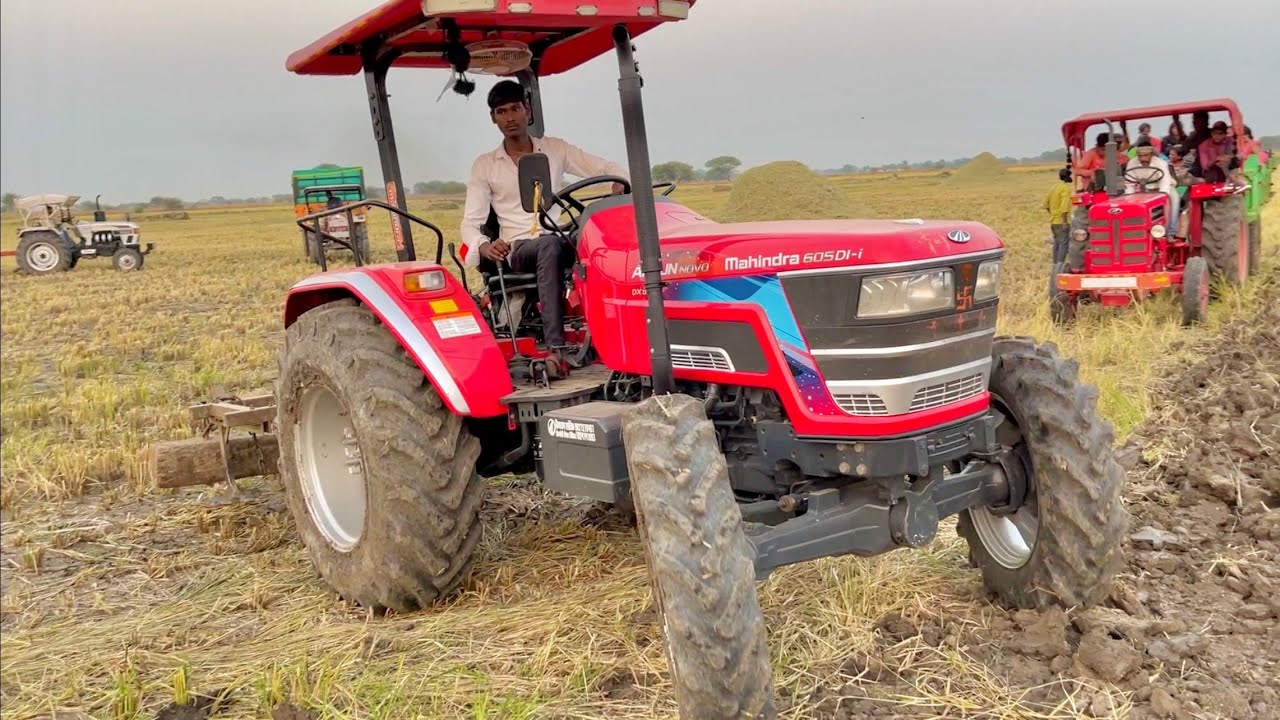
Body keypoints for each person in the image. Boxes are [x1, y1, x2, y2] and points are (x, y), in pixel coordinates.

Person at [459, 80, 629, 378]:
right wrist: (485, 245)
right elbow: (470, 223)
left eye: (515, 109)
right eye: (501, 112)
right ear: (493, 118)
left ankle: (620, 333)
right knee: (548, 246)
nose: (509, 117)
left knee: (596, 231)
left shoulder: (555, 149)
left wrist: (618, 179)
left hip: (557, 236)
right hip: (518, 248)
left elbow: (606, 166)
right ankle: (556, 350)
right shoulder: (485, 165)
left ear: (528, 110)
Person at [1125, 140, 1179, 237]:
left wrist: (1161, 197)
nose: (1143, 158)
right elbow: (1129, 182)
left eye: (1146, 155)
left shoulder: (1161, 163)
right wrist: (1129, 198)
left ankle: (1171, 231)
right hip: (1143, 188)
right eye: (1140, 156)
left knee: (1174, 198)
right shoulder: (1131, 163)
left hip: (1161, 187)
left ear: (1151, 154)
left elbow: (1165, 182)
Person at [1044, 168, 1073, 264]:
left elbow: (1046, 204)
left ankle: (1055, 264)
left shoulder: (1055, 187)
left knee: (1056, 244)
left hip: (1054, 222)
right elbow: (1064, 207)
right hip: (1061, 222)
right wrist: (1064, 222)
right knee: (1063, 244)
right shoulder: (1065, 189)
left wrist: (1053, 215)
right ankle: (1060, 265)